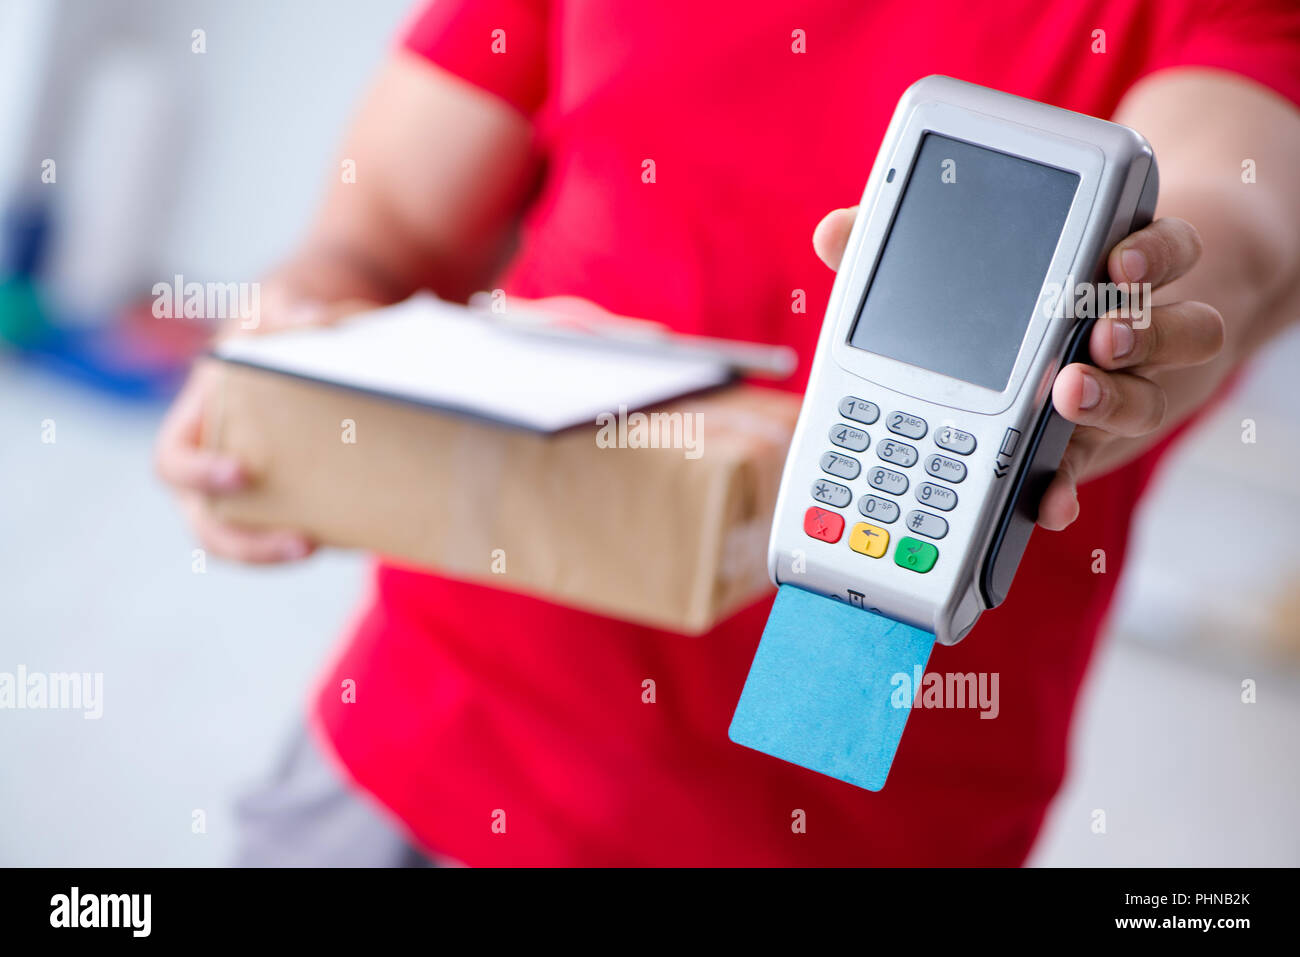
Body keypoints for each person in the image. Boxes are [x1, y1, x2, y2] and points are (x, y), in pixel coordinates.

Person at [156, 0, 1300, 865]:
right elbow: (386, 223)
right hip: (431, 731)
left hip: (842, 824)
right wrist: (280, 359)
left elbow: (1246, 210)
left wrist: (1139, 292)